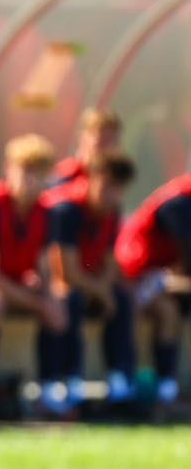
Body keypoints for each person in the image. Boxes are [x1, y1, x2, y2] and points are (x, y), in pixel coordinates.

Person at [0, 134, 66, 412]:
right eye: (25, 172)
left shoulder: (46, 212)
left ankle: (50, 388)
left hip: (12, 281)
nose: (30, 181)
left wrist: (47, 293)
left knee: (60, 303)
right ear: (9, 170)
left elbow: (43, 266)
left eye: (38, 174)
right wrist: (38, 302)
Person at [43, 146, 139, 408]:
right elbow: (66, 272)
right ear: (90, 178)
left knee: (122, 298)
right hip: (57, 285)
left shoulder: (112, 213)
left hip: (90, 285)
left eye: (118, 187)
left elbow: (109, 260)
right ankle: (68, 380)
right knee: (68, 299)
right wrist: (101, 291)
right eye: (107, 185)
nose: (112, 194)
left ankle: (120, 381)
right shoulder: (67, 209)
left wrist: (106, 289)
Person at [113, 170, 191, 407]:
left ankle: (166, 388)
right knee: (130, 311)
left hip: (160, 276)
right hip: (137, 272)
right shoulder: (178, 201)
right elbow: (186, 253)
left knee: (168, 313)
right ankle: (124, 385)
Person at [51, 108, 122, 188]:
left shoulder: (114, 181)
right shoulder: (63, 174)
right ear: (81, 138)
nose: (109, 150)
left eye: (112, 139)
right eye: (101, 140)